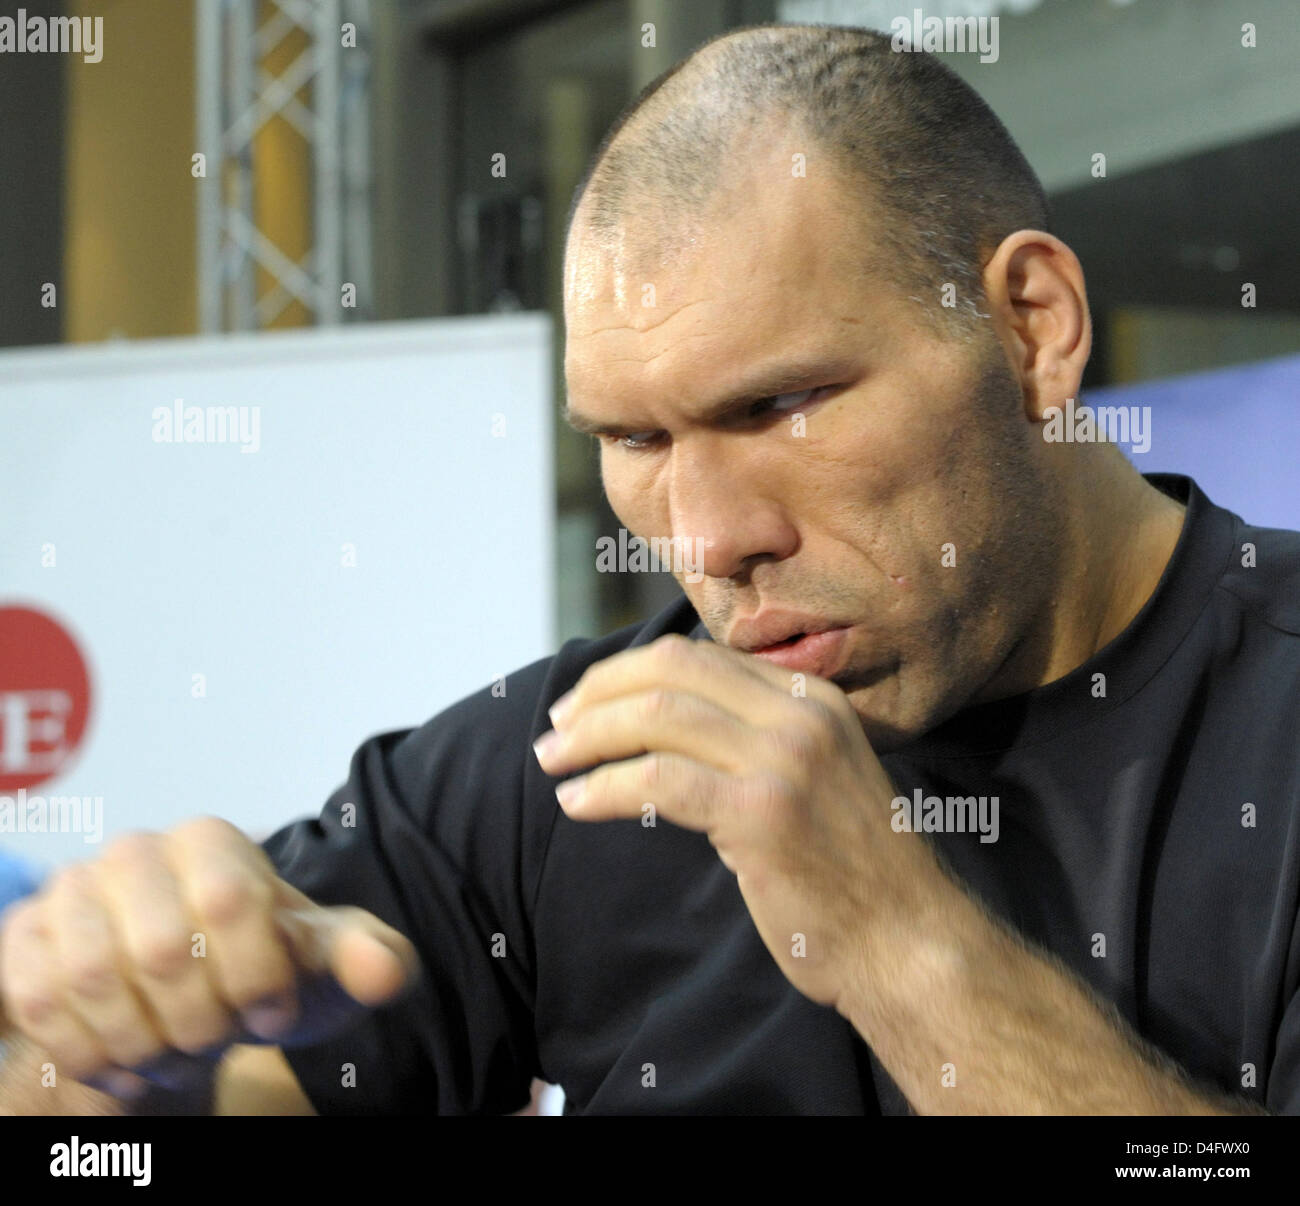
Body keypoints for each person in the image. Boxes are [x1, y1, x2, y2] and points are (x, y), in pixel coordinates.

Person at [2, 23, 1296, 1116]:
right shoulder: (578, 767)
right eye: (633, 437)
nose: (710, 534)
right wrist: (121, 1048)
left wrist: (900, 940)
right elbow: (83, 1108)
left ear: (1031, 328)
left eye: (778, 404)